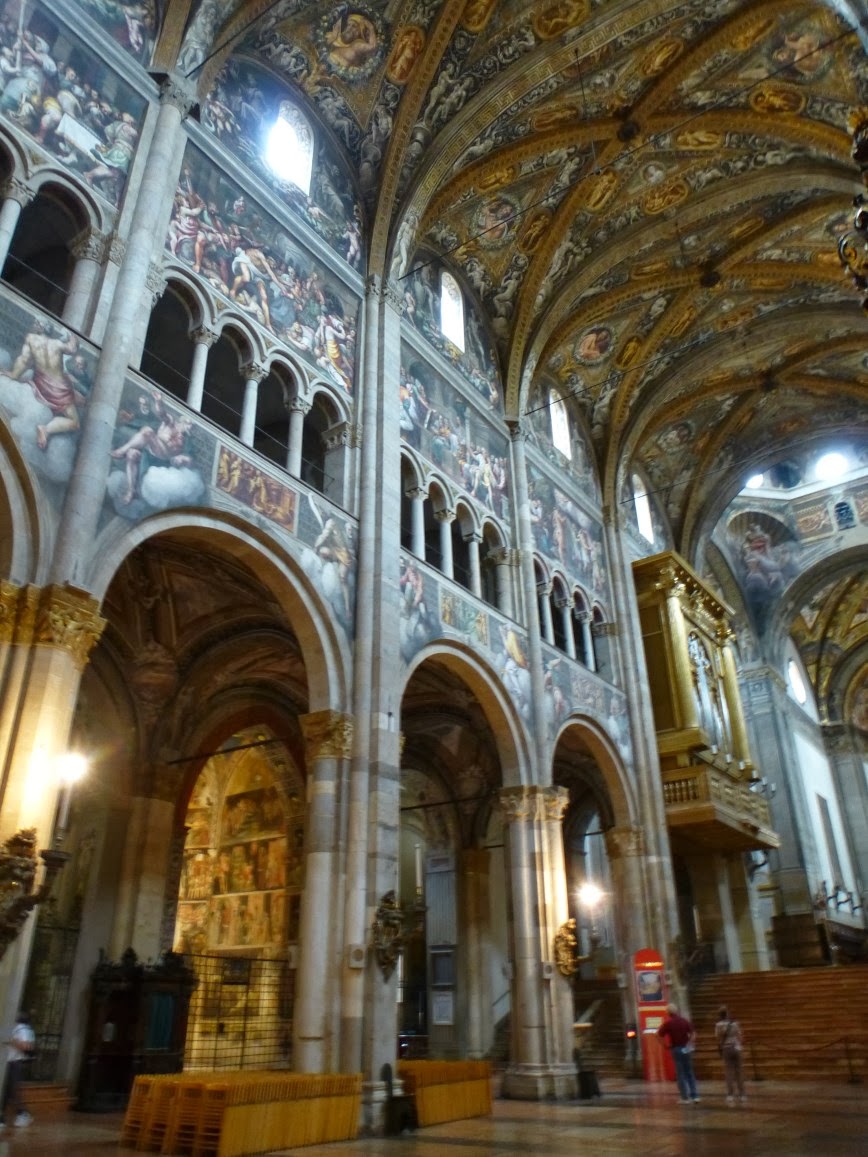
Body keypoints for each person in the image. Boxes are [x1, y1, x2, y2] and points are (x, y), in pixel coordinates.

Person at [658, 1002, 700, 1103]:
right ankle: (695, 1096)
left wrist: (664, 1045)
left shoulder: (668, 1023)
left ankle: (684, 1097)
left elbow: (659, 1035)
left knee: (680, 1074)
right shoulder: (684, 1021)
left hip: (676, 1049)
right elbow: (693, 1034)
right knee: (689, 1072)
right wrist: (690, 1043)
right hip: (686, 1048)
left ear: (668, 1013)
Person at [2, 1010, 34, 1128]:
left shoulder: (22, 1029)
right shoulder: (13, 1028)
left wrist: (10, 1039)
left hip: (14, 1062)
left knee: (14, 1090)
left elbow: (26, 1046)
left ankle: (23, 1113)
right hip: (7, 1062)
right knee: (6, 1091)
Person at [715, 1006, 747, 1105]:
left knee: (729, 1071)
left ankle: (730, 1095)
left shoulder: (718, 1025)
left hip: (726, 1048)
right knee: (739, 1071)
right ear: (727, 1014)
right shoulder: (735, 1024)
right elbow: (740, 1036)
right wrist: (740, 1045)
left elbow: (718, 1037)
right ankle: (742, 1095)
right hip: (736, 1047)